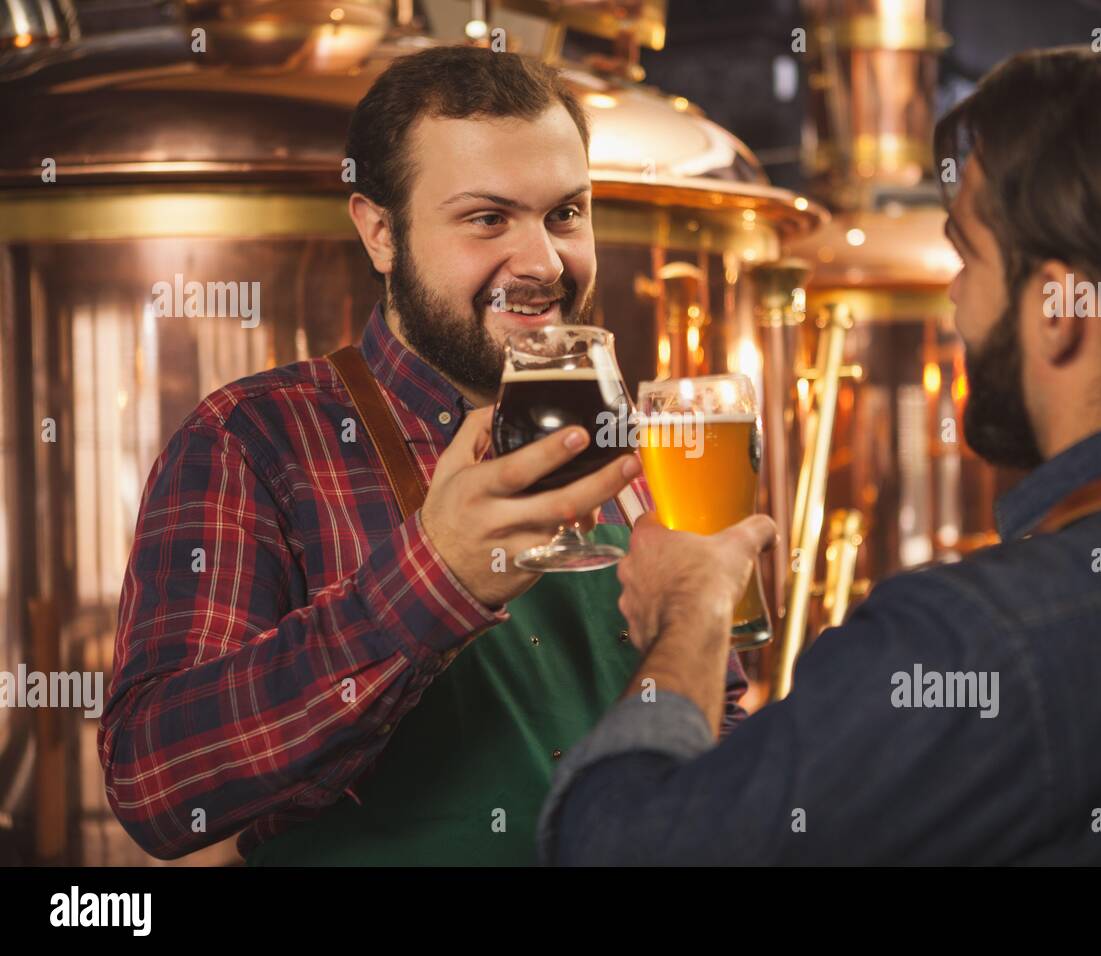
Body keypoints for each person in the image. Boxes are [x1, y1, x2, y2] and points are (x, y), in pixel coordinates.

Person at [538, 37, 1101, 865]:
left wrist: (686, 620)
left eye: (967, 255)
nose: (954, 297)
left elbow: (619, 851)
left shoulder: (980, 642)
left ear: (1060, 308)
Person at [98, 46, 749, 865]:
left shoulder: (634, 444)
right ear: (380, 232)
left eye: (565, 214)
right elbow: (155, 785)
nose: (543, 262)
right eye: (487, 218)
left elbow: (713, 719)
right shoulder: (255, 438)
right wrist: (433, 581)